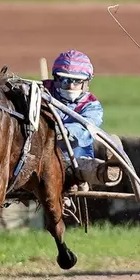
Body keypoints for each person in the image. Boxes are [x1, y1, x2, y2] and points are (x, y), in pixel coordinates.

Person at [44, 49, 119, 190]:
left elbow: (86, 129)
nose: (71, 86)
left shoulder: (92, 107)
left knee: (82, 161)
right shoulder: (42, 92)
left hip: (75, 160)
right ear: (56, 79)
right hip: (41, 157)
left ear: (86, 82)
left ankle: (108, 166)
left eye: (77, 81)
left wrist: (62, 132)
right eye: (65, 81)